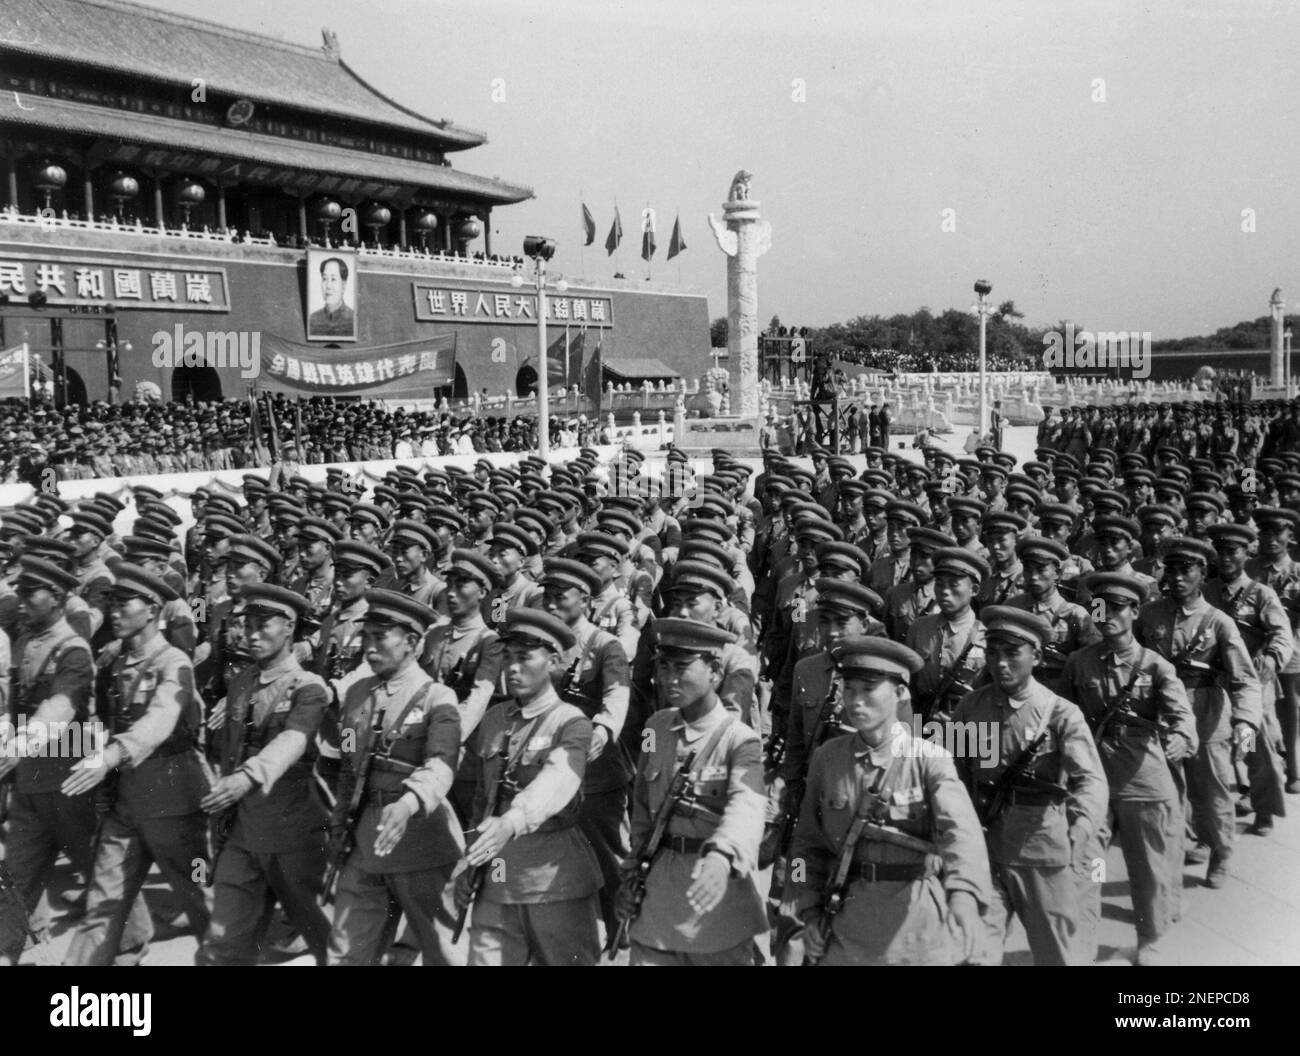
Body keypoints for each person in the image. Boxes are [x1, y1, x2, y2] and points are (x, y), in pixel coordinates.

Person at [789, 637, 991, 965]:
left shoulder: (928, 759)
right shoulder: (828, 758)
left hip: (915, 927)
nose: (855, 701)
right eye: (849, 688)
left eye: (868, 689)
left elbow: (962, 832)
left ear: (899, 694)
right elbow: (804, 848)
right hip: (844, 927)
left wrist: (965, 894)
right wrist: (804, 914)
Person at [62, 564, 212, 965]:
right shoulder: (115, 664)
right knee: (102, 905)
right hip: (126, 805)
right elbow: (101, 721)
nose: (113, 612)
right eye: (110, 602)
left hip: (178, 807)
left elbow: (160, 720)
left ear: (153, 609)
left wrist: (110, 755)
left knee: (205, 900)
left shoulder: (174, 662)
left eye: (123, 603)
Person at [950, 606, 1108, 965]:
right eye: (992, 653)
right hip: (985, 847)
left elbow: (1091, 780)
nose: (1000, 663)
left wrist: (1082, 826)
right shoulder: (971, 707)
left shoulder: (1060, 715)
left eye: (1011, 653)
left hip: (1042, 850)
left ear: (1036, 656)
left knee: (1057, 953)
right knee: (974, 952)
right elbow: (954, 775)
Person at [1059, 572, 1197, 966]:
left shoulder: (1155, 667)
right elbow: (1063, 716)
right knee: (1089, 863)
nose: (1105, 615)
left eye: (1116, 607)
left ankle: (1150, 936)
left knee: (1147, 867)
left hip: (1144, 781)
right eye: (1099, 606)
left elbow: (1181, 716)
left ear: (1135, 611)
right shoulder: (1078, 662)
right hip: (1095, 781)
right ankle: (1084, 937)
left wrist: (1181, 738)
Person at [616, 618, 767, 965]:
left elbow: (747, 806)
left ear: (715, 672)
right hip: (656, 903)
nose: (668, 678)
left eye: (682, 667)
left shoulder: (739, 740)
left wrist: (722, 854)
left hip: (715, 904)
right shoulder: (656, 727)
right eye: (663, 666)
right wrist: (629, 875)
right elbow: (641, 810)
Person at [196, 584, 333, 965]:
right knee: (223, 943)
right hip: (241, 832)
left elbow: (294, 738)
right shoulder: (241, 683)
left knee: (331, 945)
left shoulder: (309, 688)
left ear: (289, 627)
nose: (250, 634)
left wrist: (248, 776)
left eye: (262, 625)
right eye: (247, 624)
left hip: (293, 833)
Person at [325, 590, 463, 966]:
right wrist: (338, 825)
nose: (368, 647)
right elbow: (348, 764)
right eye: (366, 637)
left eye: (380, 637)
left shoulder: (438, 698)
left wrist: (408, 802)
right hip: (364, 841)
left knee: (443, 954)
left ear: (413, 643)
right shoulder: (356, 693)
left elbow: (441, 763)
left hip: (421, 843)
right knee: (347, 952)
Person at [459, 610, 602, 966]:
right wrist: (470, 860)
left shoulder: (571, 722)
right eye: (507, 658)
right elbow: (482, 801)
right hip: (499, 871)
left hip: (552, 878)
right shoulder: (494, 719)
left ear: (553, 662)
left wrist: (513, 820)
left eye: (524, 658)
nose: (512, 668)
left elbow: (557, 779)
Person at [1135, 537, 1260, 888]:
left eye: (1185, 570)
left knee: (1212, 792)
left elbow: (1244, 678)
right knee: (1166, 791)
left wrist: (1246, 721)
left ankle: (1221, 850)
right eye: (1171, 569)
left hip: (1206, 712)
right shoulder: (1149, 614)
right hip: (1162, 711)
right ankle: (1176, 853)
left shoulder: (1219, 622)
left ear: (1202, 573)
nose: (1176, 577)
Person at [308, 256, 356, 338]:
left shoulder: (354, 319)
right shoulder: (312, 319)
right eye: (324, 279)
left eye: (333, 279)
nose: (328, 286)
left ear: (343, 285)